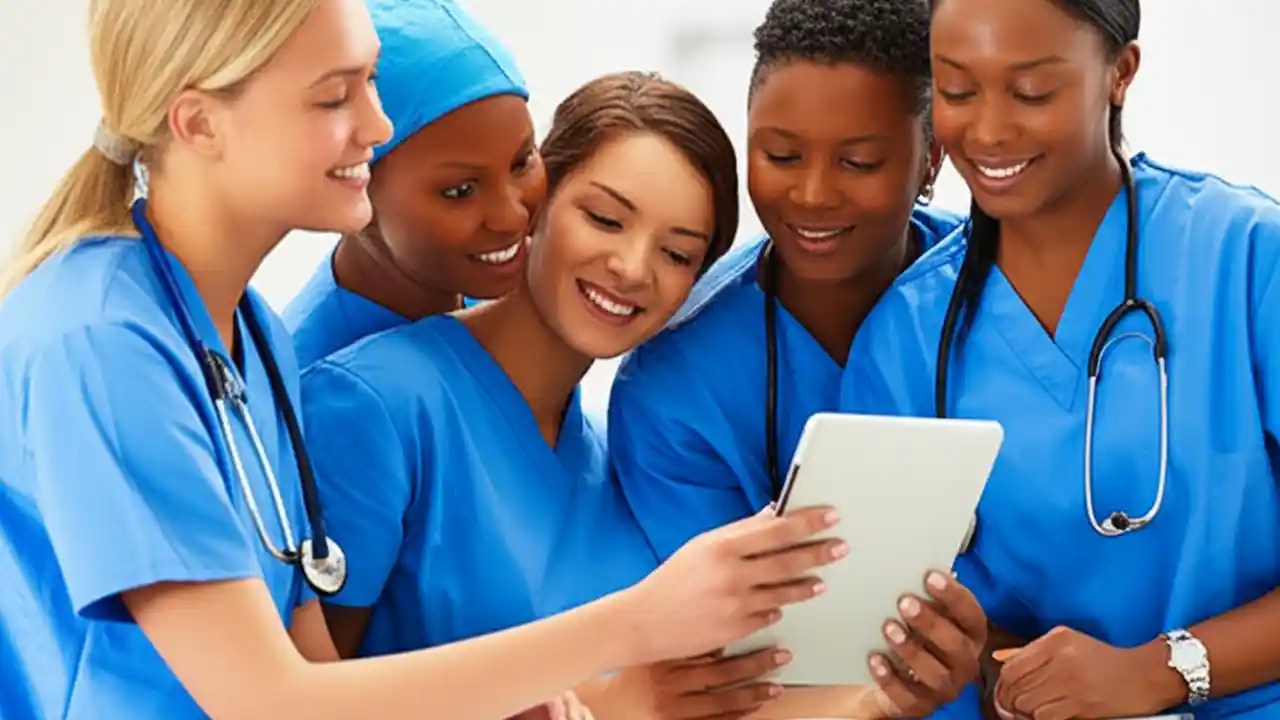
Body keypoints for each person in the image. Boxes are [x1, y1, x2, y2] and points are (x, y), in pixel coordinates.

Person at [0, 2, 849, 718]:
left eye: (371, 83)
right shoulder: (101, 339)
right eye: (336, 95)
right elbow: (269, 702)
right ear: (199, 123)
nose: (378, 127)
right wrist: (635, 627)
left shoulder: (249, 336)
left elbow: (321, 680)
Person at [298, 70, 833, 720]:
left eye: (677, 254)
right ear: (539, 200)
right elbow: (295, 701)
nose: (632, 268)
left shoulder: (624, 468)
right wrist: (602, 705)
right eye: (605, 219)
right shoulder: (375, 408)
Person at [841, 0, 1280, 718]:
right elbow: (910, 620)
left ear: (1120, 72)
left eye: (1032, 91)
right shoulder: (906, 338)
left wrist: (1157, 672)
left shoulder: (1246, 258)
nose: (987, 131)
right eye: (956, 90)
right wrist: (993, 671)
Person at [607, 0, 985, 715]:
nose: (812, 195)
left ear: (932, 156)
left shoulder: (1003, 298)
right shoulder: (677, 382)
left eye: (859, 162)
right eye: (780, 156)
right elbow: (730, 667)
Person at [284, 0, 544, 368]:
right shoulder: (310, 385)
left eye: (522, 162)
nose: (512, 217)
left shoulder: (512, 290)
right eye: (460, 191)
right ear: (356, 185)